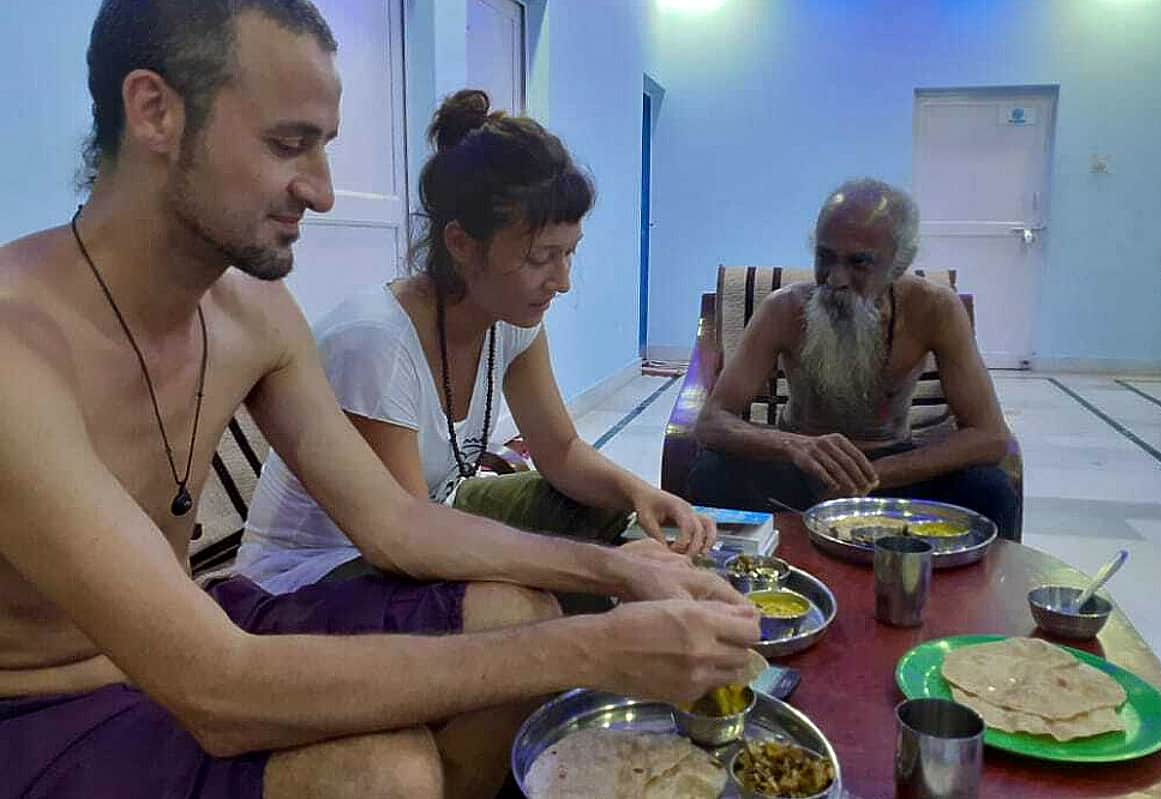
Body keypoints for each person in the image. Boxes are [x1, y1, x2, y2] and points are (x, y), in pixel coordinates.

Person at [0, 3, 758, 798]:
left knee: (513, 611)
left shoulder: (251, 315)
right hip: (43, 702)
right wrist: (598, 645)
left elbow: (396, 523)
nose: (323, 192)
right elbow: (218, 690)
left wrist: (617, 573)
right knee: (383, 774)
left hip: (205, 620)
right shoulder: (20, 349)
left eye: (324, 147)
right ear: (155, 111)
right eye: (288, 144)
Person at [235, 89, 716, 595]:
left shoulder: (513, 321)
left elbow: (562, 451)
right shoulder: (376, 344)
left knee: (600, 506)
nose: (562, 280)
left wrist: (641, 493)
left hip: (424, 523)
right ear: (461, 243)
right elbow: (408, 543)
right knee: (508, 603)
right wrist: (593, 568)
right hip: (325, 572)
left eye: (568, 254)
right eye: (539, 258)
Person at [689, 178, 1019, 539]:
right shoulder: (783, 309)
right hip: (799, 465)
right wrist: (796, 446)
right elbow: (712, 421)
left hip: (895, 468)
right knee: (711, 473)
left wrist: (875, 476)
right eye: (825, 257)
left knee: (991, 489)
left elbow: (990, 436)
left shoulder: (935, 308)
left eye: (859, 262)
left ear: (899, 263)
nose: (835, 279)